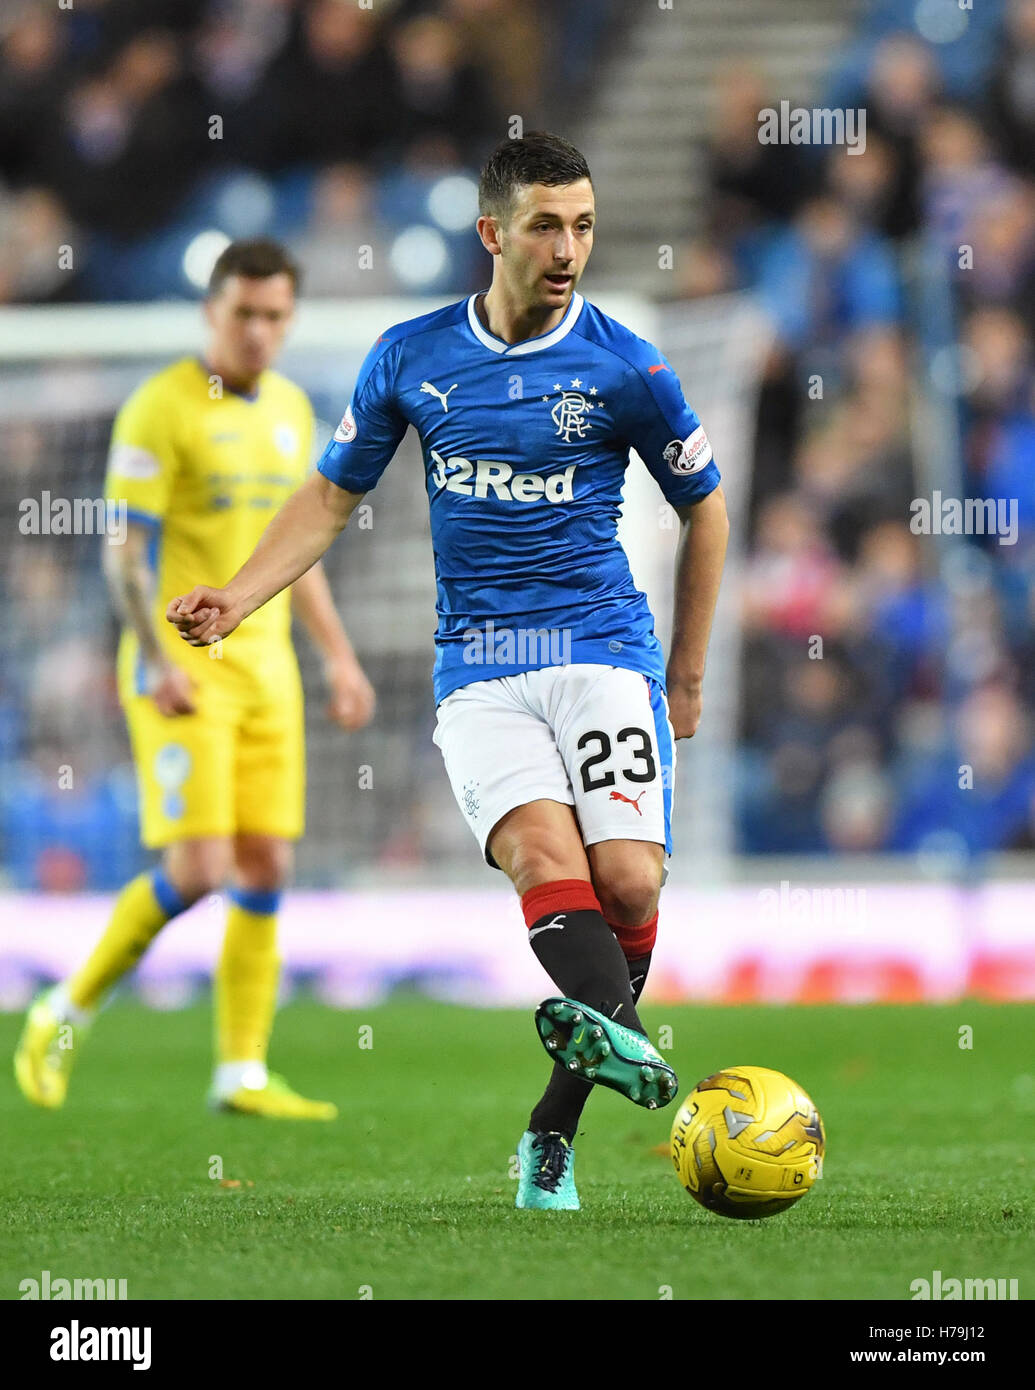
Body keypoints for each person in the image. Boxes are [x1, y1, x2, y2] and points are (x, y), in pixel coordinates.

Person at [166, 135, 729, 1207]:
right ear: (492, 234)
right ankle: (635, 1049)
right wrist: (238, 596)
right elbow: (331, 497)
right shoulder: (411, 356)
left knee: (629, 882)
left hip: (605, 648)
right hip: (480, 665)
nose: (569, 249)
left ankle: (552, 1123)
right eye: (546, 227)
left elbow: (708, 510)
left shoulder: (626, 364)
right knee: (536, 855)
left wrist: (688, 672)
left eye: (584, 226)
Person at [15, 239, 375, 1119]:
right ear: (211, 313)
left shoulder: (293, 409)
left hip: (270, 674)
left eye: (274, 317)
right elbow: (124, 556)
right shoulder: (158, 408)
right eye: (243, 314)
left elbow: (300, 552)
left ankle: (241, 1072)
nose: (259, 332)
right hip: (183, 675)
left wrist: (337, 655)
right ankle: (62, 1011)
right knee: (201, 866)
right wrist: (155, 656)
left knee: (264, 862)